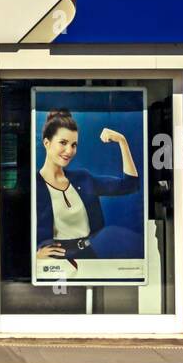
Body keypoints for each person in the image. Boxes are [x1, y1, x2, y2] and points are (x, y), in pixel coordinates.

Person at [35, 108, 139, 268]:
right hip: (52, 263)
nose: (69, 151)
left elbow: (130, 185)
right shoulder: (34, 185)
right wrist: (34, 254)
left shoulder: (83, 179)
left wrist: (122, 141)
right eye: (63, 143)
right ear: (47, 143)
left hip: (88, 257)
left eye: (74, 144)